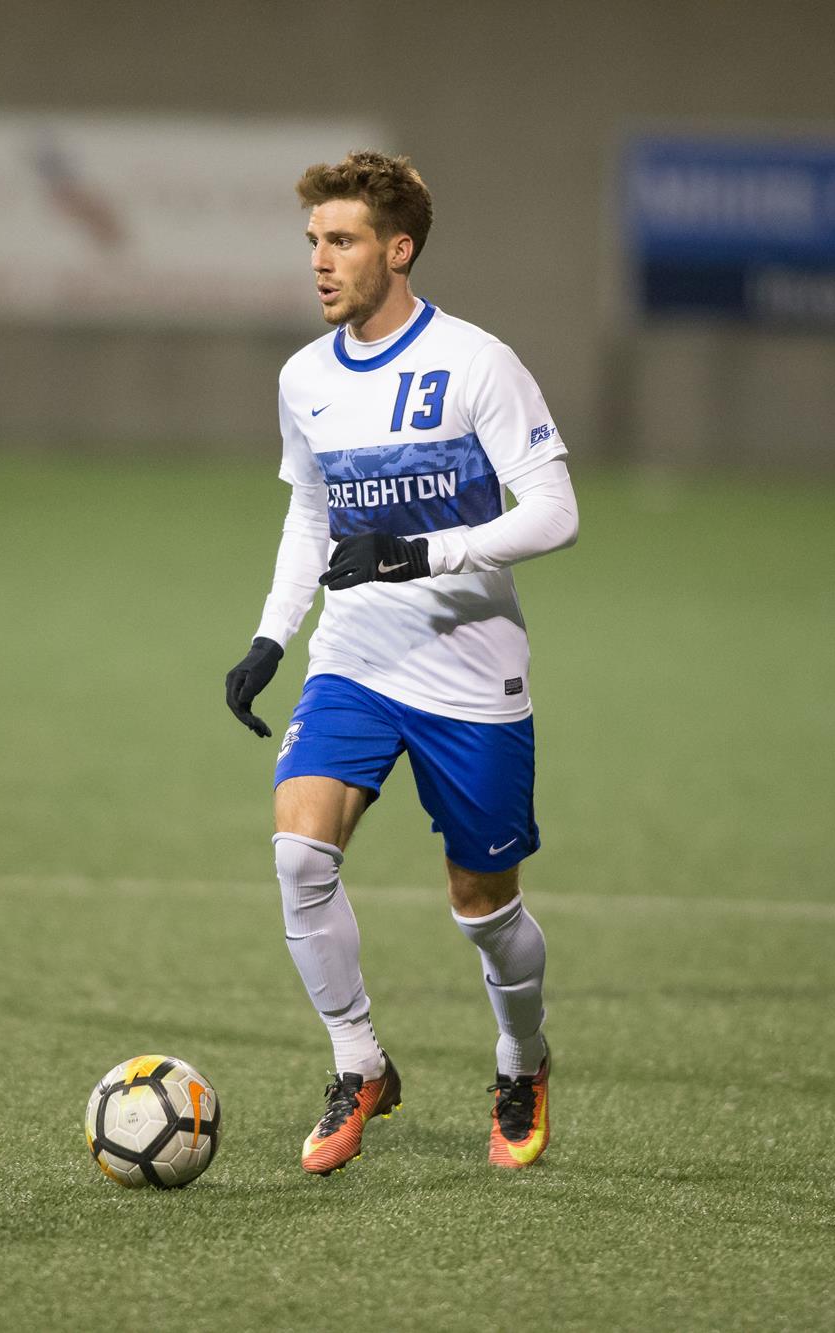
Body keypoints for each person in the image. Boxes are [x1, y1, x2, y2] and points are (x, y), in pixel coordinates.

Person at [224, 151, 579, 1173]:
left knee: (486, 910)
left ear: (397, 248)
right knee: (298, 855)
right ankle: (359, 1062)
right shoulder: (304, 376)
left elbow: (556, 512)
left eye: (340, 242)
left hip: (469, 672)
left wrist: (424, 551)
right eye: (312, 244)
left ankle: (520, 1056)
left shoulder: (476, 362)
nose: (320, 263)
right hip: (354, 660)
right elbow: (308, 513)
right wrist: (268, 636)